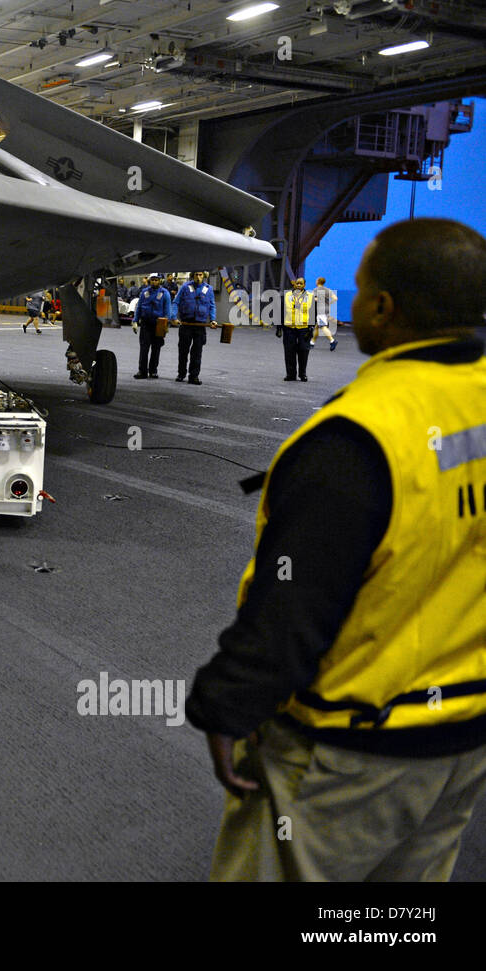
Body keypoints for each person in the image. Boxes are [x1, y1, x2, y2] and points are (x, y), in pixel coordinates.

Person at [186, 217, 486, 882]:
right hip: (463, 738)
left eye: (361, 288)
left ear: (383, 307)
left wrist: (227, 704)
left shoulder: (359, 437)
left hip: (351, 750)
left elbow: (295, 604)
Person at [175, 270, 218, 385]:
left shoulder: (208, 289)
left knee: (197, 352)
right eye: (196, 275)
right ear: (192, 276)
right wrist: (174, 317)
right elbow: (176, 302)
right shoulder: (185, 287)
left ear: (204, 276)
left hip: (200, 325)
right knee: (183, 351)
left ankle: (194, 376)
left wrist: (213, 319)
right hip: (186, 324)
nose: (198, 277)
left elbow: (212, 305)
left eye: (200, 275)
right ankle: (181, 374)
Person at [132, 272, 173, 379]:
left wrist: (166, 325)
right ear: (150, 280)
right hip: (146, 323)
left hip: (158, 324)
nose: (154, 281)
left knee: (156, 348)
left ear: (160, 281)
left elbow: (167, 310)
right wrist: (135, 321)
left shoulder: (165, 293)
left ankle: (153, 370)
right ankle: (142, 371)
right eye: (153, 279)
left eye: (156, 280)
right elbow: (139, 307)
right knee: (144, 348)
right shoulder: (144, 292)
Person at [282, 277, 313, 381]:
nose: (299, 285)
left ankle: (302, 374)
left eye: (301, 283)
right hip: (289, 328)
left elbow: (314, 313)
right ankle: (290, 374)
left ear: (304, 285)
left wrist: (311, 328)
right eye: (297, 283)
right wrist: (279, 327)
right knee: (289, 351)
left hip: (304, 328)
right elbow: (282, 311)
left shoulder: (310, 296)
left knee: (304, 351)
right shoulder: (287, 295)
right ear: (294, 284)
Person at [312, 276, 338, 350]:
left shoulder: (316, 290)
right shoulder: (328, 290)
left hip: (320, 310)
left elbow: (314, 299)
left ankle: (332, 341)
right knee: (317, 327)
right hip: (326, 310)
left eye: (316, 280)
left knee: (323, 327)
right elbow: (335, 298)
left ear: (318, 281)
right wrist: (329, 303)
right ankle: (312, 342)